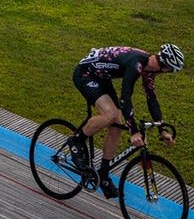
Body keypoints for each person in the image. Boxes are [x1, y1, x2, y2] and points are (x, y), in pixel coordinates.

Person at [67, 45, 183, 199]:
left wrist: (161, 129)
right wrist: (134, 130)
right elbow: (125, 98)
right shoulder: (136, 64)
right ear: (165, 67)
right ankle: (76, 140)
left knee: (117, 124)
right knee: (111, 114)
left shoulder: (148, 68)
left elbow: (151, 99)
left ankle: (103, 173)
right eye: (170, 70)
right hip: (86, 74)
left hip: (102, 77)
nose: (167, 73)